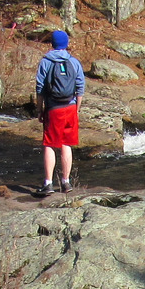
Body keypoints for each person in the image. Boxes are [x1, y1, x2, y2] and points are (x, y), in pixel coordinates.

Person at [35, 30, 85, 195]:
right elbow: (80, 88)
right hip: (70, 107)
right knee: (66, 144)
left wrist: (40, 109)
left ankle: (48, 183)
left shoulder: (46, 62)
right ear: (66, 43)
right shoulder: (74, 62)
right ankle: (66, 182)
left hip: (53, 108)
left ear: (52, 43)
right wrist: (76, 109)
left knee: (50, 144)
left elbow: (40, 89)